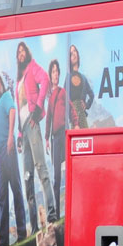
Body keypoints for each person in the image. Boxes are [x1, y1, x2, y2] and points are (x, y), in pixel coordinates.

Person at [0, 72, 31, 246]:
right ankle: (4, 242)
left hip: (8, 150)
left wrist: (9, 138)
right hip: (0, 155)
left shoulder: (6, 97)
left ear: (2, 85)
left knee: (15, 189)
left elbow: (13, 111)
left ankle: (21, 233)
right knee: (2, 195)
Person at [14, 42, 50, 226]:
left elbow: (45, 79)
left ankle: (51, 216)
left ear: (27, 53)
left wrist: (38, 107)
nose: (21, 54)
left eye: (23, 51)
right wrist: (19, 136)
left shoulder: (33, 67)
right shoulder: (18, 80)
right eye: (18, 52)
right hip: (23, 129)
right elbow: (19, 108)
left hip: (32, 122)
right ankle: (35, 226)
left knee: (41, 168)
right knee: (27, 177)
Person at [45, 58, 68, 221]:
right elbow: (48, 120)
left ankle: (69, 209)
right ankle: (57, 214)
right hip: (54, 140)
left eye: (57, 72)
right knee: (56, 178)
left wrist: (76, 124)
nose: (55, 74)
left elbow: (70, 108)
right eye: (53, 72)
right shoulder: (50, 98)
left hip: (63, 135)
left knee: (67, 172)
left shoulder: (63, 92)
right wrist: (46, 138)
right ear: (50, 75)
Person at [67, 43, 95, 129]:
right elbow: (64, 98)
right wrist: (72, 117)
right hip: (73, 116)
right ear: (69, 59)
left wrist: (86, 105)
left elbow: (92, 95)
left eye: (75, 51)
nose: (74, 54)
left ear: (78, 54)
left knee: (85, 135)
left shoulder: (83, 78)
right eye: (71, 53)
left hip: (82, 115)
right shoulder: (68, 77)